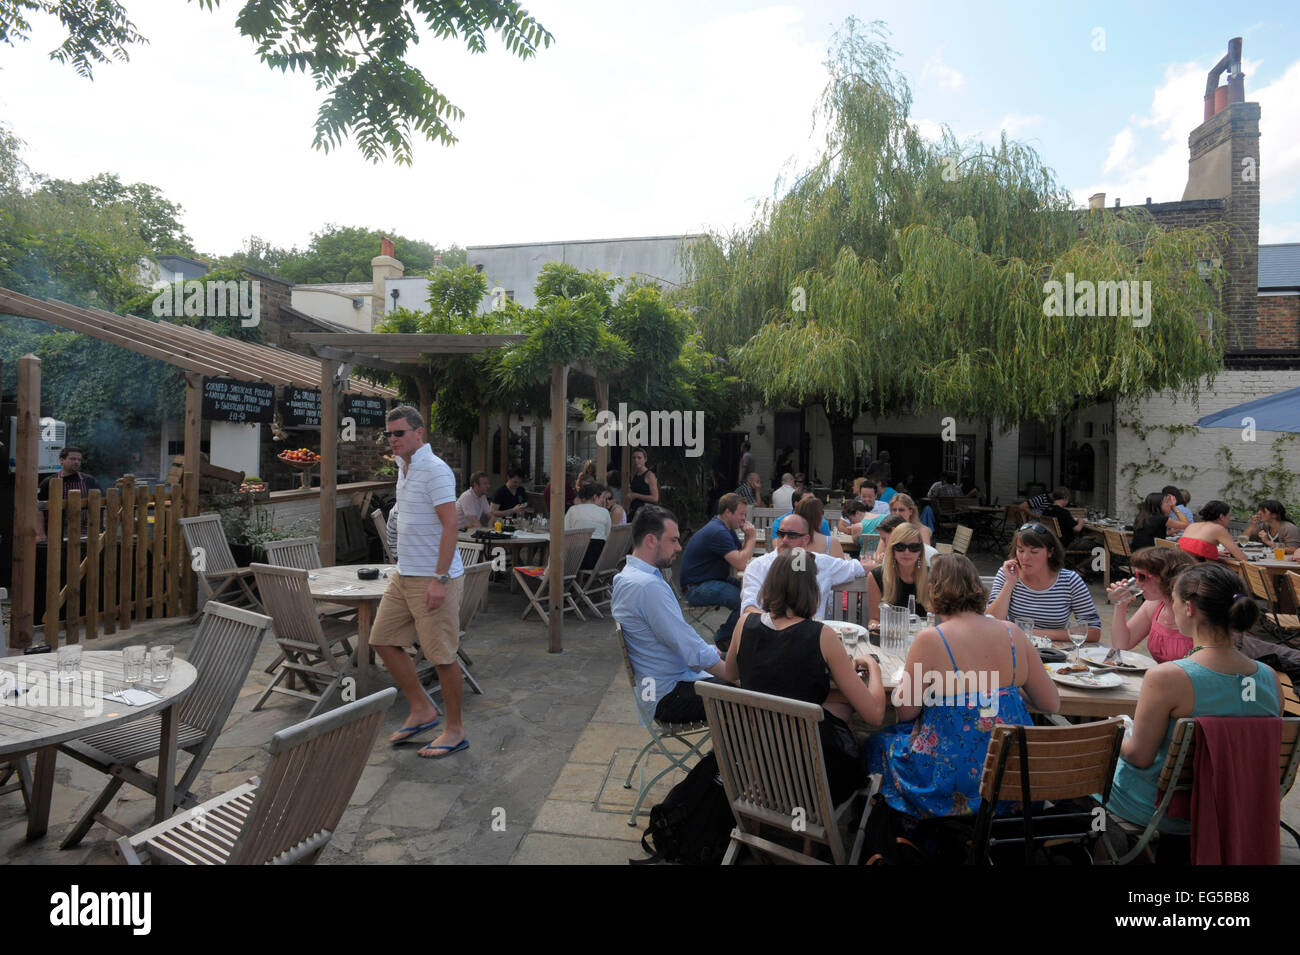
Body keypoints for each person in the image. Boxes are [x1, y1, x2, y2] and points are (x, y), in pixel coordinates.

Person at [866, 554, 1060, 817]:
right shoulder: (1013, 633)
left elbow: (906, 712)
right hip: (1013, 784)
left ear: (933, 589)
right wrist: (1004, 689)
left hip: (950, 786)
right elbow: (1051, 703)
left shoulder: (931, 639)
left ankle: (890, 832)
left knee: (878, 742)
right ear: (978, 588)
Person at [1106, 563, 1283, 838]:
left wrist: (1114, 730)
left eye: (1174, 601)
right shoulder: (1269, 677)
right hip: (1233, 811)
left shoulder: (1167, 677)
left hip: (1158, 810)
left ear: (1189, 608)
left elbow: (1139, 757)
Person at [720, 549, 885, 804]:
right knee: (844, 714)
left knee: (838, 707)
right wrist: (873, 667)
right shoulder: (821, 635)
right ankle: (815, 830)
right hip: (811, 765)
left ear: (771, 584)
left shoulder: (744, 624)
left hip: (760, 754)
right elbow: (875, 714)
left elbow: (731, 673)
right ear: (811, 589)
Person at [371, 406, 469, 759]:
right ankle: (422, 708)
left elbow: (451, 525)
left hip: (432, 575)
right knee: (381, 640)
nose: (392, 440)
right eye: (389, 434)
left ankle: (455, 730)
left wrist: (440, 579)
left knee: (442, 656)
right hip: (404, 573)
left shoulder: (435, 470)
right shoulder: (404, 467)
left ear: (418, 433)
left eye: (399, 433)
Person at [611, 506, 729, 725]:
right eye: (673, 540)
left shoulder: (628, 577)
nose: (679, 547)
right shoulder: (647, 587)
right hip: (669, 696)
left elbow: (682, 641)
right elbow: (692, 652)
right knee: (756, 696)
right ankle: (721, 761)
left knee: (749, 671)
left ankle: (729, 758)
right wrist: (735, 675)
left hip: (662, 687)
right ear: (650, 541)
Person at [987, 522, 1102, 642]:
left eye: (1034, 552)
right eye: (1020, 551)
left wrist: (1035, 633)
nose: (1025, 558)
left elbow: (1093, 631)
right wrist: (1009, 584)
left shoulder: (1070, 581)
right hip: (1015, 648)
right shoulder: (1007, 574)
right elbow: (991, 622)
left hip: (1054, 653)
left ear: (1050, 552)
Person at [741, 513, 869, 620]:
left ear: (806, 540)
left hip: (812, 637)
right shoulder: (758, 566)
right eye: (781, 534)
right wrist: (780, 626)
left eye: (792, 535)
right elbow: (748, 609)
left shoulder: (821, 563)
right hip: (770, 634)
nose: (784, 540)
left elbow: (858, 568)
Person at [679, 493, 756, 649]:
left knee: (752, 591)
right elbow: (741, 563)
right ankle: (724, 638)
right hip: (696, 587)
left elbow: (741, 555)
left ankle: (736, 637)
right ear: (728, 512)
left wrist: (748, 537)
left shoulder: (724, 528)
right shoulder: (718, 531)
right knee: (745, 602)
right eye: (741, 514)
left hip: (711, 580)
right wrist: (752, 537)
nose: (744, 518)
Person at [1107, 546, 1197, 663]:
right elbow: (1121, 645)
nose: (1137, 583)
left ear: (1166, 578)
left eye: (1142, 577)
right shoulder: (1154, 605)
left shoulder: (1194, 612)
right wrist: (1120, 605)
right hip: (1161, 678)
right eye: (1136, 576)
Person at [867, 522, 929, 622]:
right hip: (892, 635)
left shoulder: (932, 576)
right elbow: (875, 619)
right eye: (900, 546)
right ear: (892, 550)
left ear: (920, 551)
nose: (907, 552)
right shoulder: (876, 576)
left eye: (913, 547)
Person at [37, 445, 100, 541]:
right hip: (56, 534)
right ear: (61, 460)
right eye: (72, 459)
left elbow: (100, 506)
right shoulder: (48, 482)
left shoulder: (89, 480)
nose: (76, 462)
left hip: (84, 534)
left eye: (79, 460)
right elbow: (38, 510)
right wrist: (40, 534)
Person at [1176, 500, 1249, 562]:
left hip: (1180, 566)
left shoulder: (1192, 526)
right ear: (1221, 517)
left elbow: (1192, 548)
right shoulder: (1218, 529)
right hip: (1198, 571)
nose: (1229, 519)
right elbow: (1241, 558)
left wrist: (1214, 553)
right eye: (1229, 516)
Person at [565, 481, 612, 570]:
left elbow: (565, 532)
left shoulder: (573, 510)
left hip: (575, 561)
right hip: (598, 560)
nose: (603, 501)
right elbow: (608, 535)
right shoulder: (604, 512)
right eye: (602, 497)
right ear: (595, 497)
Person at [626, 448, 659, 520]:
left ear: (645, 459)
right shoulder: (635, 474)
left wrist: (636, 495)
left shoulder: (650, 475)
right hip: (635, 511)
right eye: (634, 458)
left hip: (646, 514)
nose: (636, 460)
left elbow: (655, 498)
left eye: (639, 458)